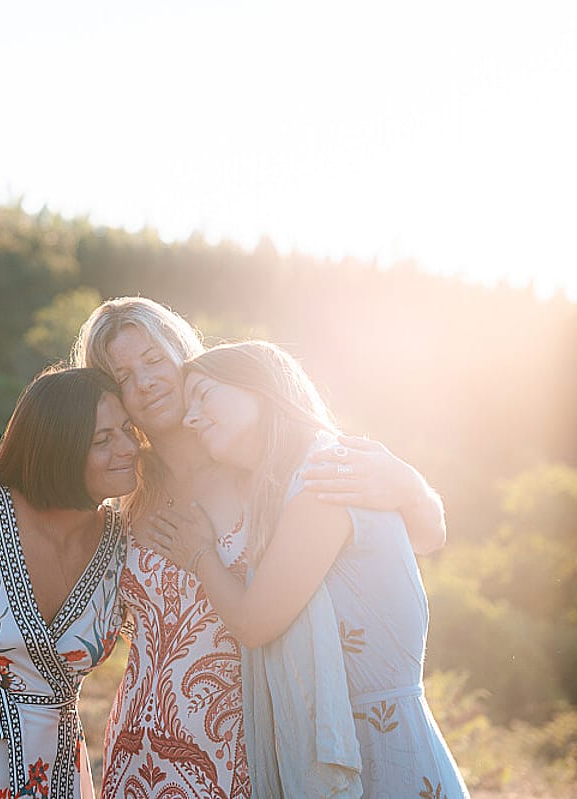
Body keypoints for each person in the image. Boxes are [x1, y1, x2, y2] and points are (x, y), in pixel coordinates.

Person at [70, 296, 447, 799]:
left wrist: (411, 487)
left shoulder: (262, 465)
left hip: (250, 743)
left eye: (155, 360)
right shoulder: (125, 492)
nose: (145, 382)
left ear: (184, 353)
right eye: (122, 377)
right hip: (142, 747)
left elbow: (420, 536)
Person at [146, 340, 468, 797]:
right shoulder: (295, 484)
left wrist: (199, 554)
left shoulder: (324, 477)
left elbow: (255, 623)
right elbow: (425, 537)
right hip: (367, 739)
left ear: (261, 389)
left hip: (384, 754)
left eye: (203, 395)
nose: (190, 417)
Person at [0, 367, 137, 799]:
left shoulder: (123, 542)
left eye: (128, 430)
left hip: (55, 768)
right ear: (59, 448)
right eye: (103, 439)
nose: (129, 448)